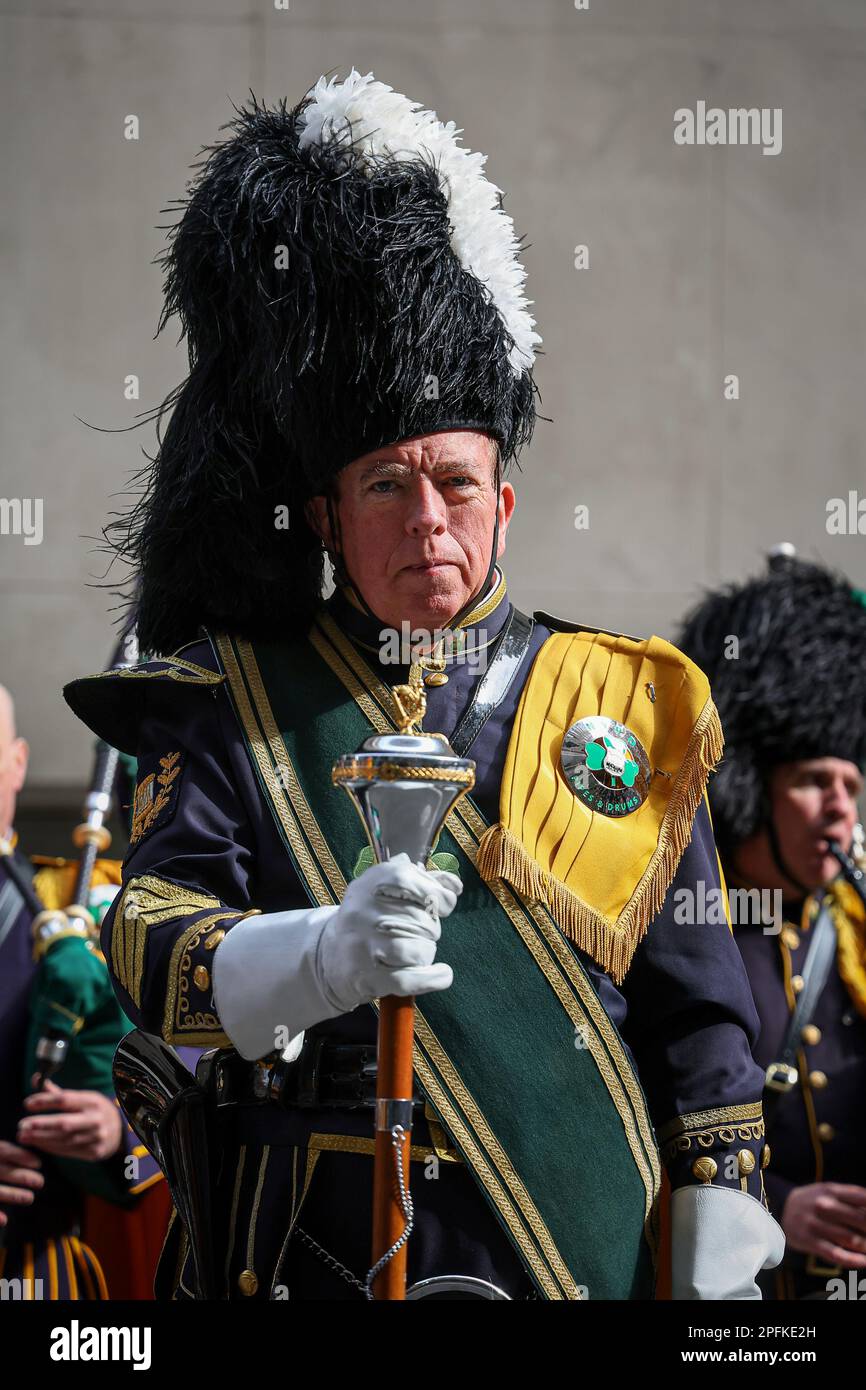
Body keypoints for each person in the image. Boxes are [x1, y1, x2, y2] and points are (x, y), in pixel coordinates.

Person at [64, 69, 782, 1301]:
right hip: (307, 1251)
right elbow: (151, 939)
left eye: (455, 484)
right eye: (386, 487)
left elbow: (702, 1016)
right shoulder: (228, 696)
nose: (427, 523)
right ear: (332, 522)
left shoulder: (621, 701)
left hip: (576, 1249)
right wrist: (319, 956)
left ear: (502, 506)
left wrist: (716, 1242)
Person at [677, 552, 866, 1299]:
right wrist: (778, 1204)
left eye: (852, 785)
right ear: (750, 784)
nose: (842, 808)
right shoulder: (690, 930)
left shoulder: (856, 927)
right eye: (816, 781)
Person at [0, 685, 160, 1299]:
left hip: (38, 1265)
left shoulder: (90, 908)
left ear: (18, 762)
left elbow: (195, 1069)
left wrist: (119, 1128)